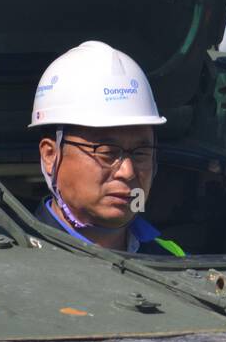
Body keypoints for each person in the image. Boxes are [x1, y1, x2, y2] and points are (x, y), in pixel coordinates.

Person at [28, 40, 184, 256]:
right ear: (50, 155)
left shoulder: (171, 258)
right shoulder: (19, 262)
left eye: (141, 153)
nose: (128, 172)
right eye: (107, 152)